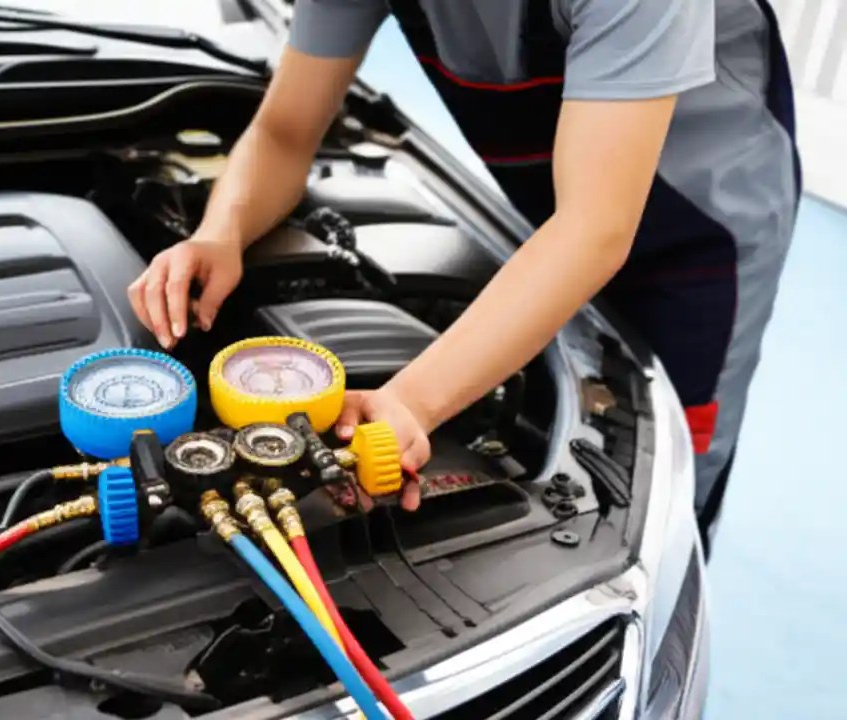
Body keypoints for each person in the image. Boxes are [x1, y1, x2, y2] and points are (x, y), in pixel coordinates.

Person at [127, 0, 800, 554]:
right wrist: (221, 232)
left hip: (700, 235)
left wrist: (413, 403)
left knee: (662, 482)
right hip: (564, 203)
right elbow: (284, 130)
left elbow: (595, 228)